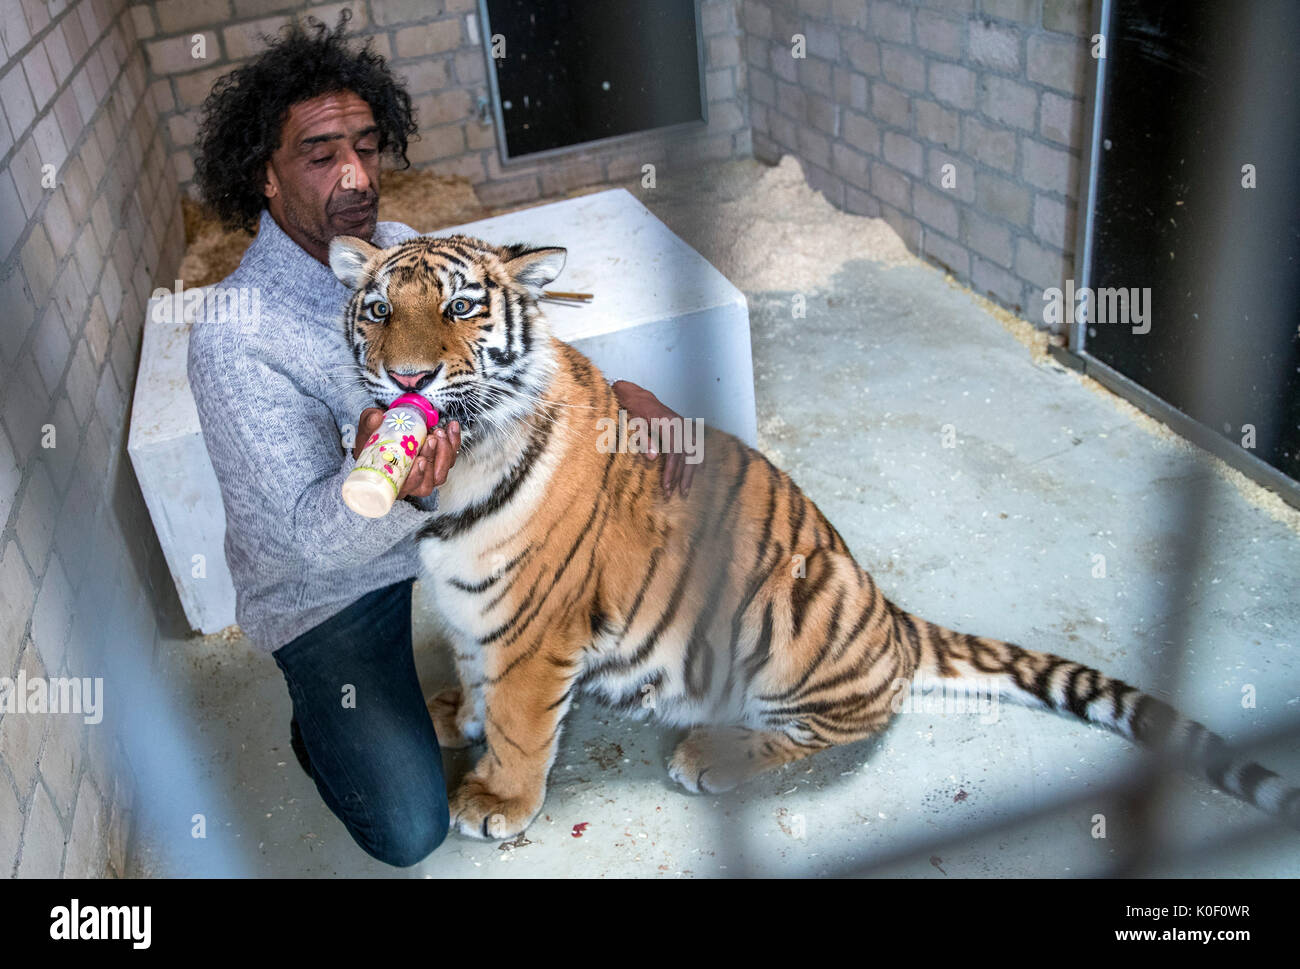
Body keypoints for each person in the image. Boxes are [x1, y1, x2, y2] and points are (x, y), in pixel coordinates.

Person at [186, 12, 697, 867]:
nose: (354, 174)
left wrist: (623, 393)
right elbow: (311, 541)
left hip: (447, 534)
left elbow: (505, 336)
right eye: (319, 154)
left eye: (366, 144)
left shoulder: (400, 246)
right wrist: (409, 489)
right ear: (265, 177)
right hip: (331, 591)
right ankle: (325, 722)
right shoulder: (235, 337)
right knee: (409, 826)